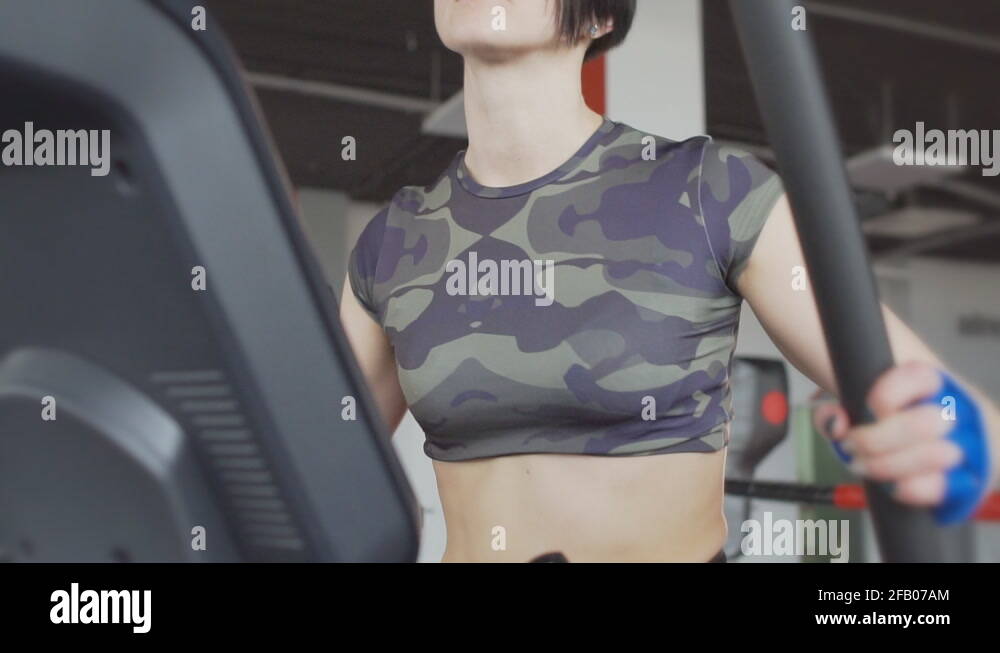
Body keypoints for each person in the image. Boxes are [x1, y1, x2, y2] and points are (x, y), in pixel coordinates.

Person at [339, 0, 1000, 562]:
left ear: (599, 14)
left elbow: (964, 415)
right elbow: (326, 473)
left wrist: (956, 430)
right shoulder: (395, 242)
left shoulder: (710, 193)